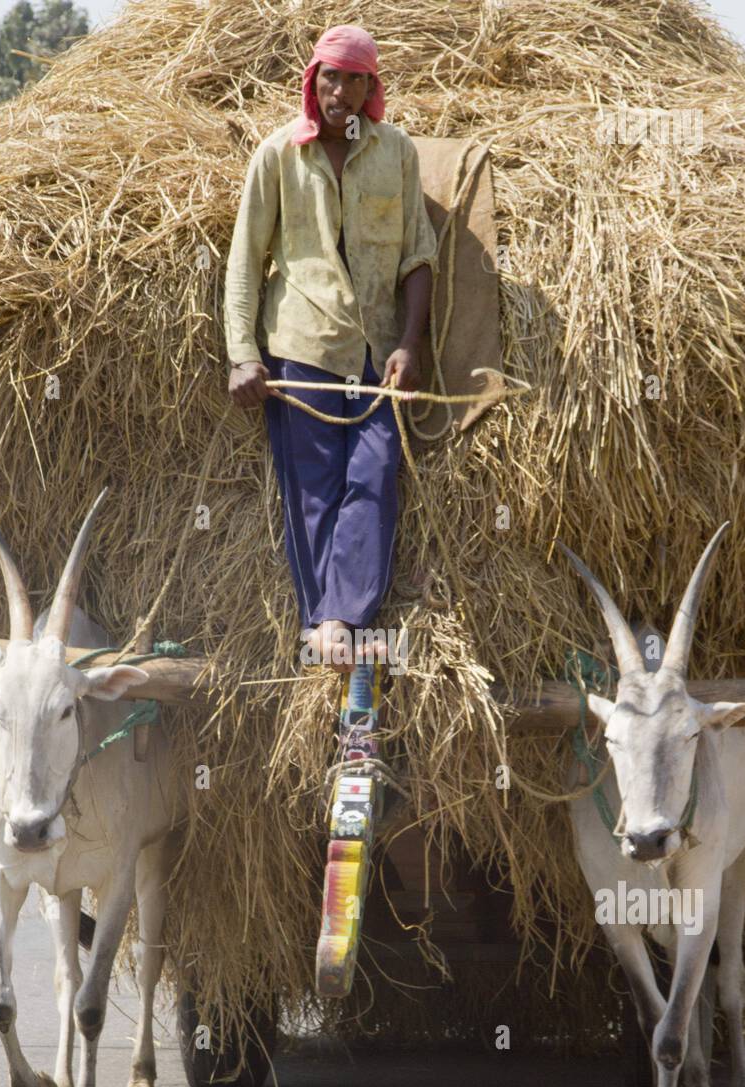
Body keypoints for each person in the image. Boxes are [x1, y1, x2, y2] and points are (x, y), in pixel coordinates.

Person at [224, 23, 437, 671]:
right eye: (329, 76)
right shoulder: (278, 155)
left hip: (374, 353)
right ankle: (329, 624)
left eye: (353, 78)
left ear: (371, 88)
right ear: (312, 81)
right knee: (312, 490)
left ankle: (340, 613)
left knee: (373, 476)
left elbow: (418, 255)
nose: (339, 90)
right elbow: (244, 261)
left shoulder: (395, 152)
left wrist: (409, 343)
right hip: (302, 348)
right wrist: (242, 354)